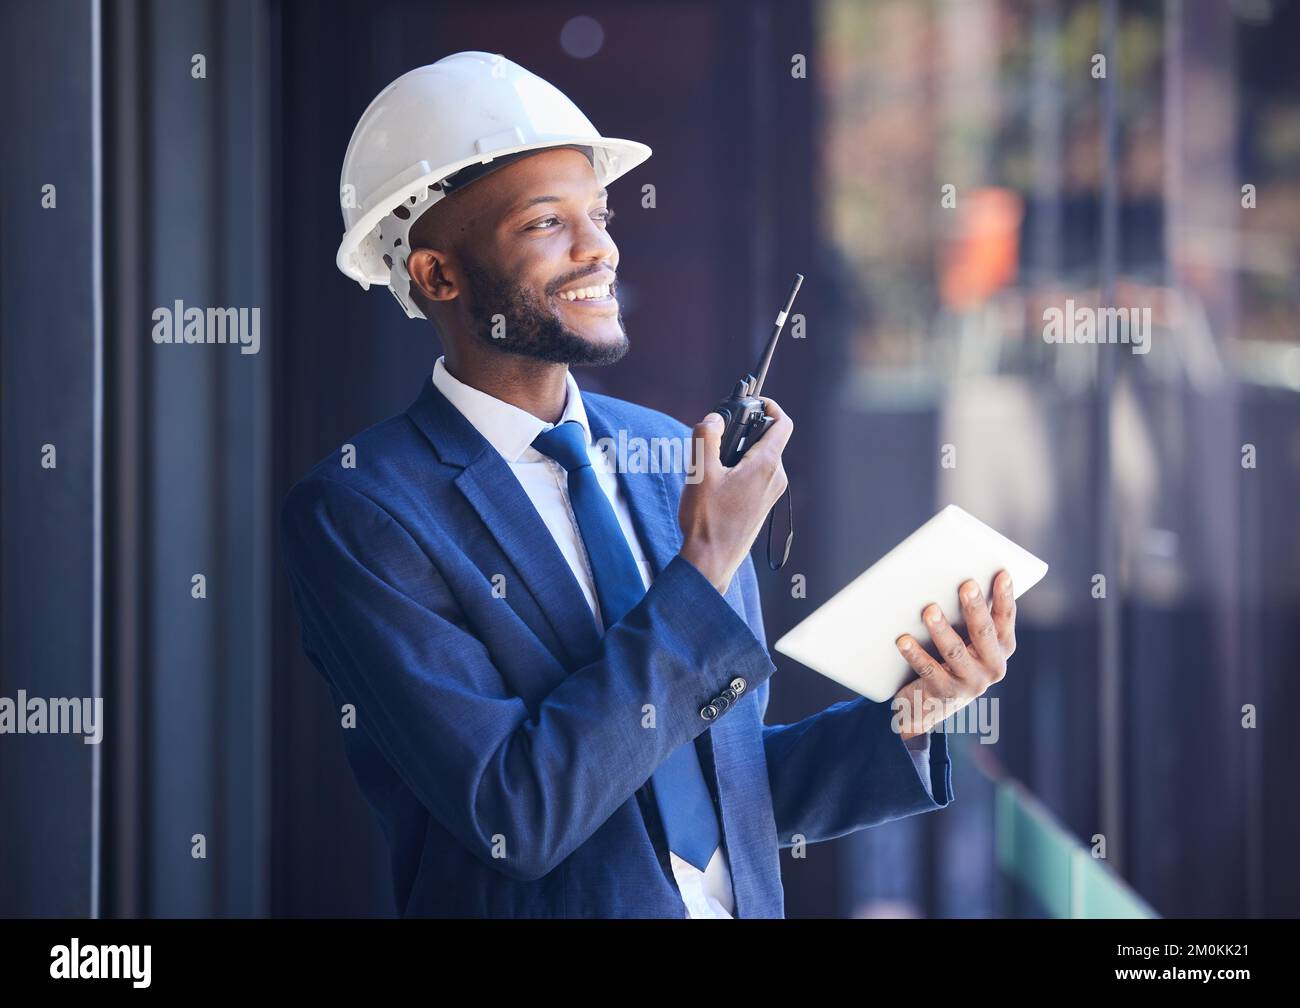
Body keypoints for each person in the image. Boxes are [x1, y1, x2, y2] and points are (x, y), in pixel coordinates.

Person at [280, 52, 1017, 918]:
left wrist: (913, 714)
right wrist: (705, 563)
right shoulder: (364, 511)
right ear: (438, 275)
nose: (601, 246)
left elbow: (718, 785)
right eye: (547, 222)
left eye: (598, 212)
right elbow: (516, 811)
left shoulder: (668, 451)